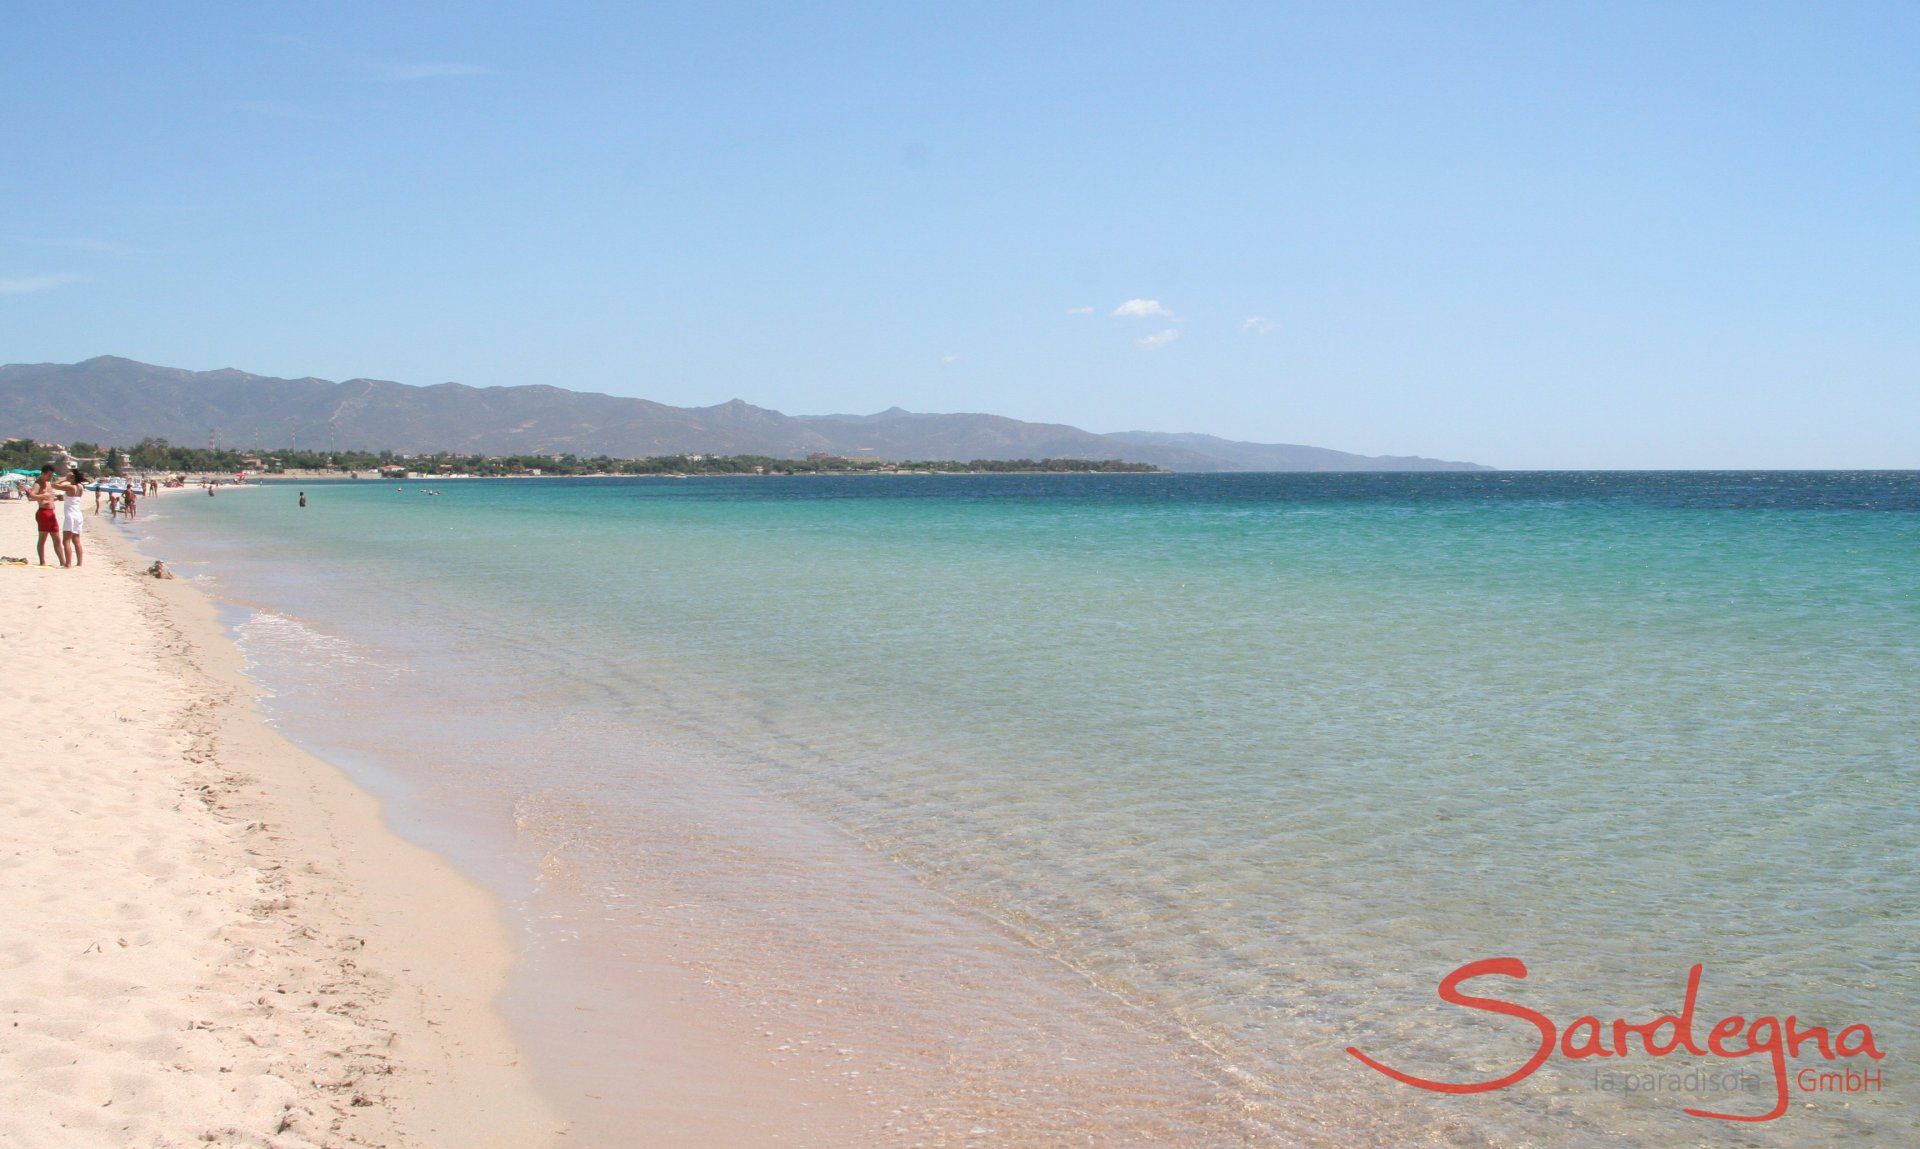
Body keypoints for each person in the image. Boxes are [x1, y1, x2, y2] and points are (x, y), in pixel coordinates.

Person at [24, 466, 65, 567]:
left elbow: (49, 498)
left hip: (51, 512)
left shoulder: (48, 483)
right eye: (49, 475)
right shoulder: (38, 483)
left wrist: (57, 498)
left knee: (57, 539)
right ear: (43, 473)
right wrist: (41, 496)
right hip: (43, 512)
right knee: (43, 539)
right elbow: (31, 496)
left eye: (51, 475)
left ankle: (62, 562)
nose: (50, 477)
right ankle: (42, 562)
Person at [57, 469, 86, 567]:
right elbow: (71, 499)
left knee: (66, 541)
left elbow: (54, 485)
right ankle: (79, 563)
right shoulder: (80, 487)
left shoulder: (70, 486)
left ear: (73, 477)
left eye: (70, 476)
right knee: (76, 540)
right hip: (78, 515)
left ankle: (68, 563)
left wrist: (65, 479)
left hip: (70, 515)